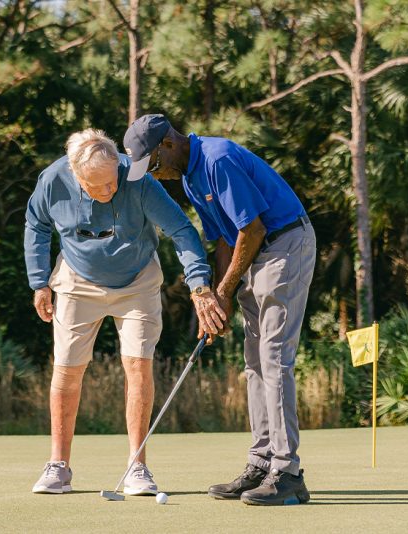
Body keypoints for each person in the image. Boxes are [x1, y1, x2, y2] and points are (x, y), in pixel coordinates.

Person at [122, 115, 316, 506]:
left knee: (274, 358)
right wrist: (215, 299)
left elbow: (254, 229)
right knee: (255, 363)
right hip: (255, 255)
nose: (155, 177)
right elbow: (227, 240)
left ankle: (288, 472)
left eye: (154, 165)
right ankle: (261, 463)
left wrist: (225, 290)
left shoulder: (217, 159)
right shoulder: (192, 178)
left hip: (284, 245)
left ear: (169, 144)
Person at [24, 128, 227, 496]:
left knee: (138, 365)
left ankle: (138, 467)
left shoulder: (136, 180)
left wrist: (199, 285)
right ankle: (58, 466)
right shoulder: (53, 180)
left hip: (136, 279)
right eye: (96, 186)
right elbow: (36, 224)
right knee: (67, 370)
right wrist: (39, 282)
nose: (108, 191)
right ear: (75, 175)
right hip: (76, 279)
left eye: (111, 182)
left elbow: (181, 229)